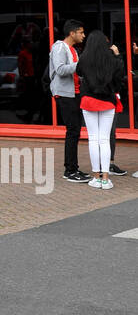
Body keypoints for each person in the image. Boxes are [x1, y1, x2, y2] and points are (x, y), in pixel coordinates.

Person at [75, 31, 126, 191]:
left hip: (89, 100)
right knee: (104, 140)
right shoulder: (112, 60)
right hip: (107, 102)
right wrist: (117, 55)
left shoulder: (84, 58)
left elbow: (78, 72)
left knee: (93, 139)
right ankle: (105, 178)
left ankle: (95, 177)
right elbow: (120, 79)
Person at [49, 20, 90, 183]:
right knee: (72, 131)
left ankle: (73, 168)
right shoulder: (59, 47)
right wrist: (80, 64)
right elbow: (59, 70)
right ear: (72, 33)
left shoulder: (72, 49)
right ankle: (70, 171)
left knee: (75, 131)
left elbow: (74, 71)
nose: (83, 35)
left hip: (74, 94)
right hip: (65, 94)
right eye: (81, 32)